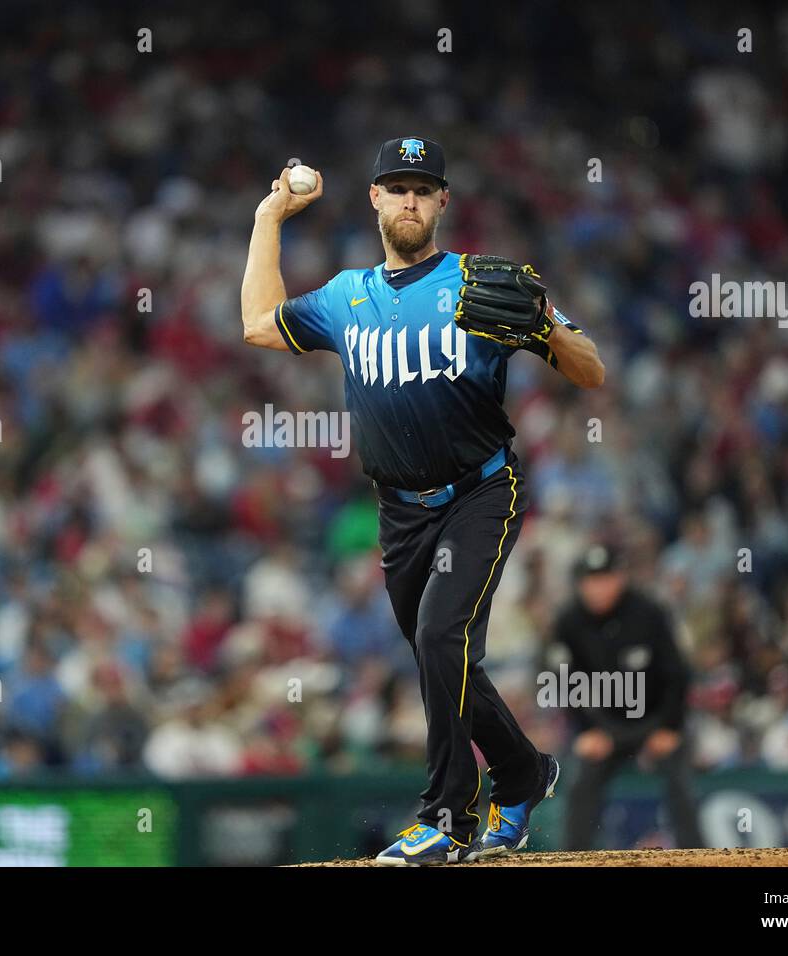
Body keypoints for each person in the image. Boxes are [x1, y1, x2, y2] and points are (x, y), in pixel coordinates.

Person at [240, 136, 606, 864]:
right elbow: (258, 324)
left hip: (480, 492)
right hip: (400, 510)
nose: (410, 199)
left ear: (443, 201)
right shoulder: (346, 296)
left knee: (441, 639)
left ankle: (446, 817)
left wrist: (545, 325)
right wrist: (268, 218)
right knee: (443, 657)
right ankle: (525, 775)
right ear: (374, 199)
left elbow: (590, 372)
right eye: (396, 186)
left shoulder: (480, 283)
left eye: (423, 188)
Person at [552, 544, 704, 849]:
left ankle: (696, 854)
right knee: (581, 778)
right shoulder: (568, 622)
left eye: (605, 578)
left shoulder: (649, 612)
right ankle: (574, 857)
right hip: (603, 725)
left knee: (681, 780)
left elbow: (677, 676)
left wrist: (669, 728)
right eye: (591, 580)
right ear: (580, 584)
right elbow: (563, 681)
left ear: (620, 578)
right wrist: (587, 731)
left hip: (654, 720)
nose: (598, 587)